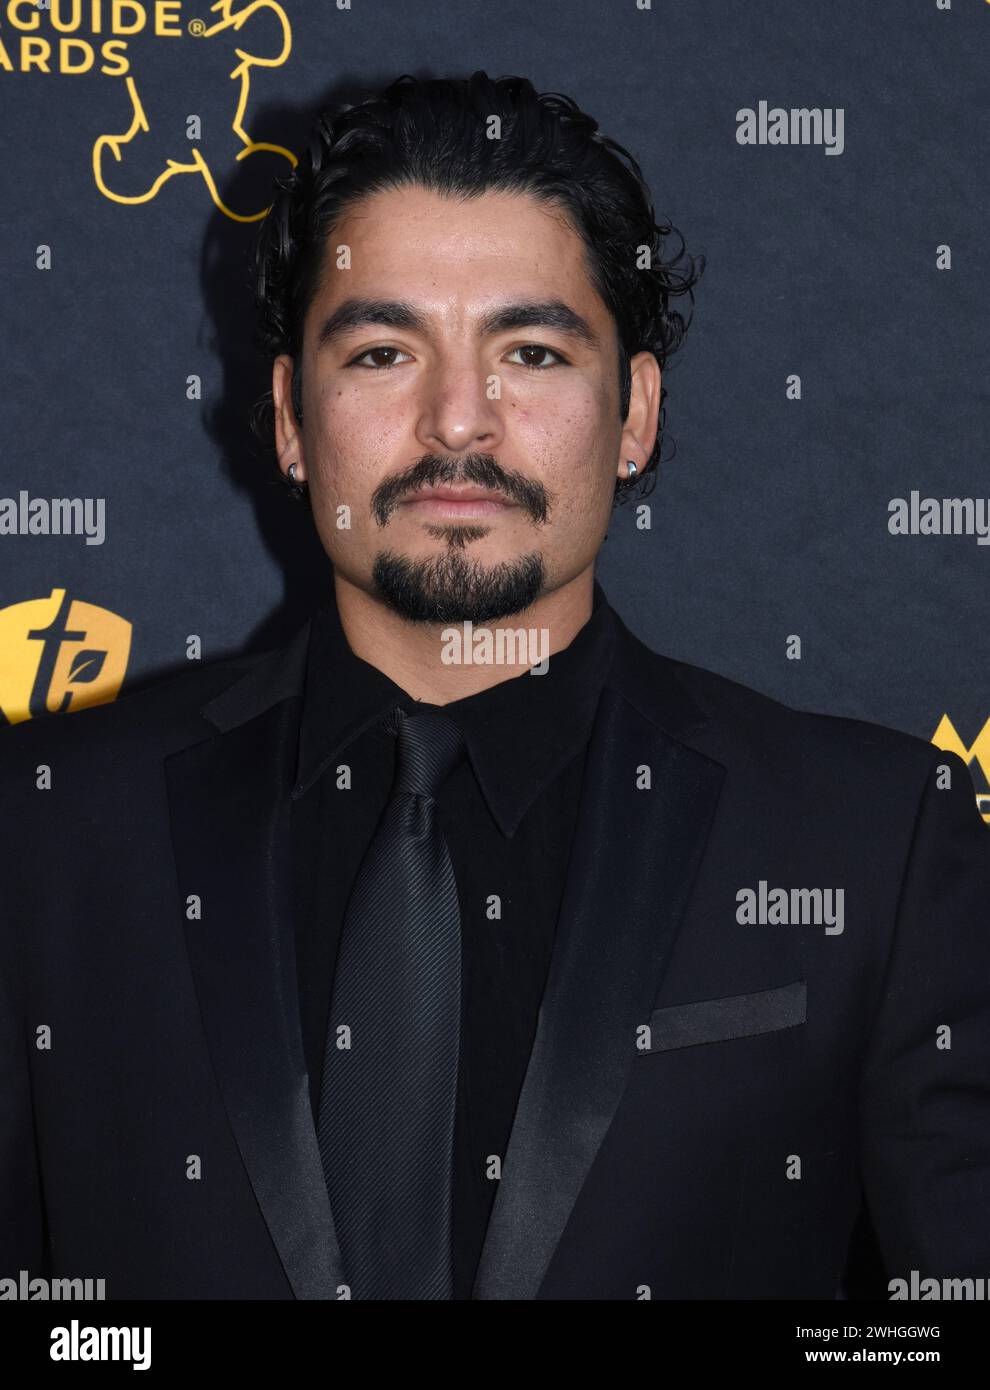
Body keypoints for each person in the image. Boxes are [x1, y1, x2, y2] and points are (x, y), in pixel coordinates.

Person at [2, 71, 989, 1301]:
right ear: (291, 418)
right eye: (381, 349)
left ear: (633, 414)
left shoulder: (868, 843)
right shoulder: (47, 831)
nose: (458, 421)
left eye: (529, 350)